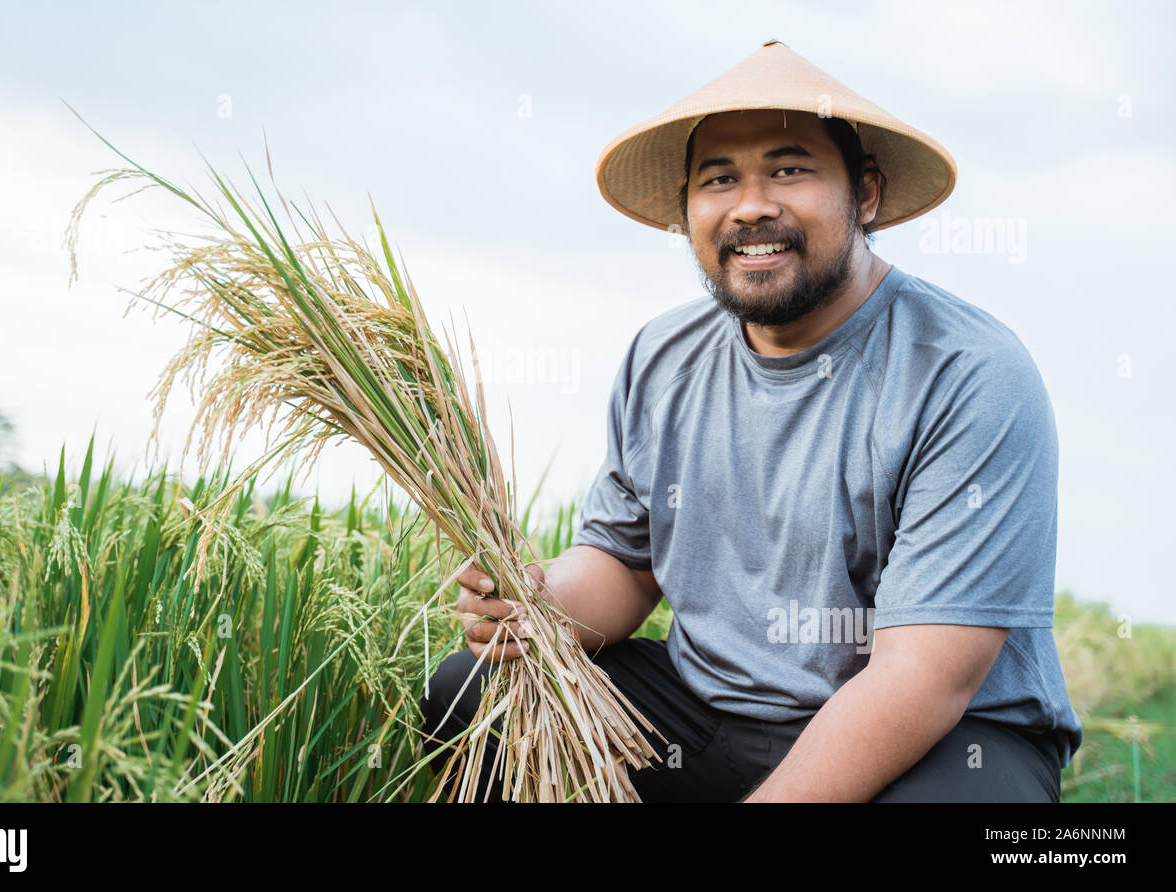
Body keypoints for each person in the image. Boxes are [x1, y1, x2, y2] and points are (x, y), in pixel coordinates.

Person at [419, 40, 1083, 802]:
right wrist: (535, 600)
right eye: (720, 178)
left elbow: (922, 678)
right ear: (688, 209)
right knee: (476, 691)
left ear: (865, 194)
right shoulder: (664, 355)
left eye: (790, 169)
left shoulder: (966, 372)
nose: (751, 204)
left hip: (944, 734)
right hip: (711, 712)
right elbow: (623, 566)